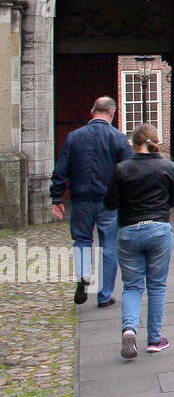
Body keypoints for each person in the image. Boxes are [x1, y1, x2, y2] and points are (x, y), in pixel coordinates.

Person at [104, 124, 174, 358]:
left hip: (129, 230)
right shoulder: (168, 166)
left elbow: (110, 203)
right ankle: (155, 339)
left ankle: (129, 330)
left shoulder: (122, 169)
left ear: (133, 143)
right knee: (156, 286)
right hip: (158, 228)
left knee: (132, 286)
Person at [49, 96, 132, 308]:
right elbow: (128, 174)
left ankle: (84, 274)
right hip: (109, 202)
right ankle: (104, 295)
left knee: (82, 240)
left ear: (91, 111)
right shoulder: (119, 139)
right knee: (109, 247)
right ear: (112, 114)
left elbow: (61, 169)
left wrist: (57, 197)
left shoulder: (73, 137)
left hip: (81, 200)